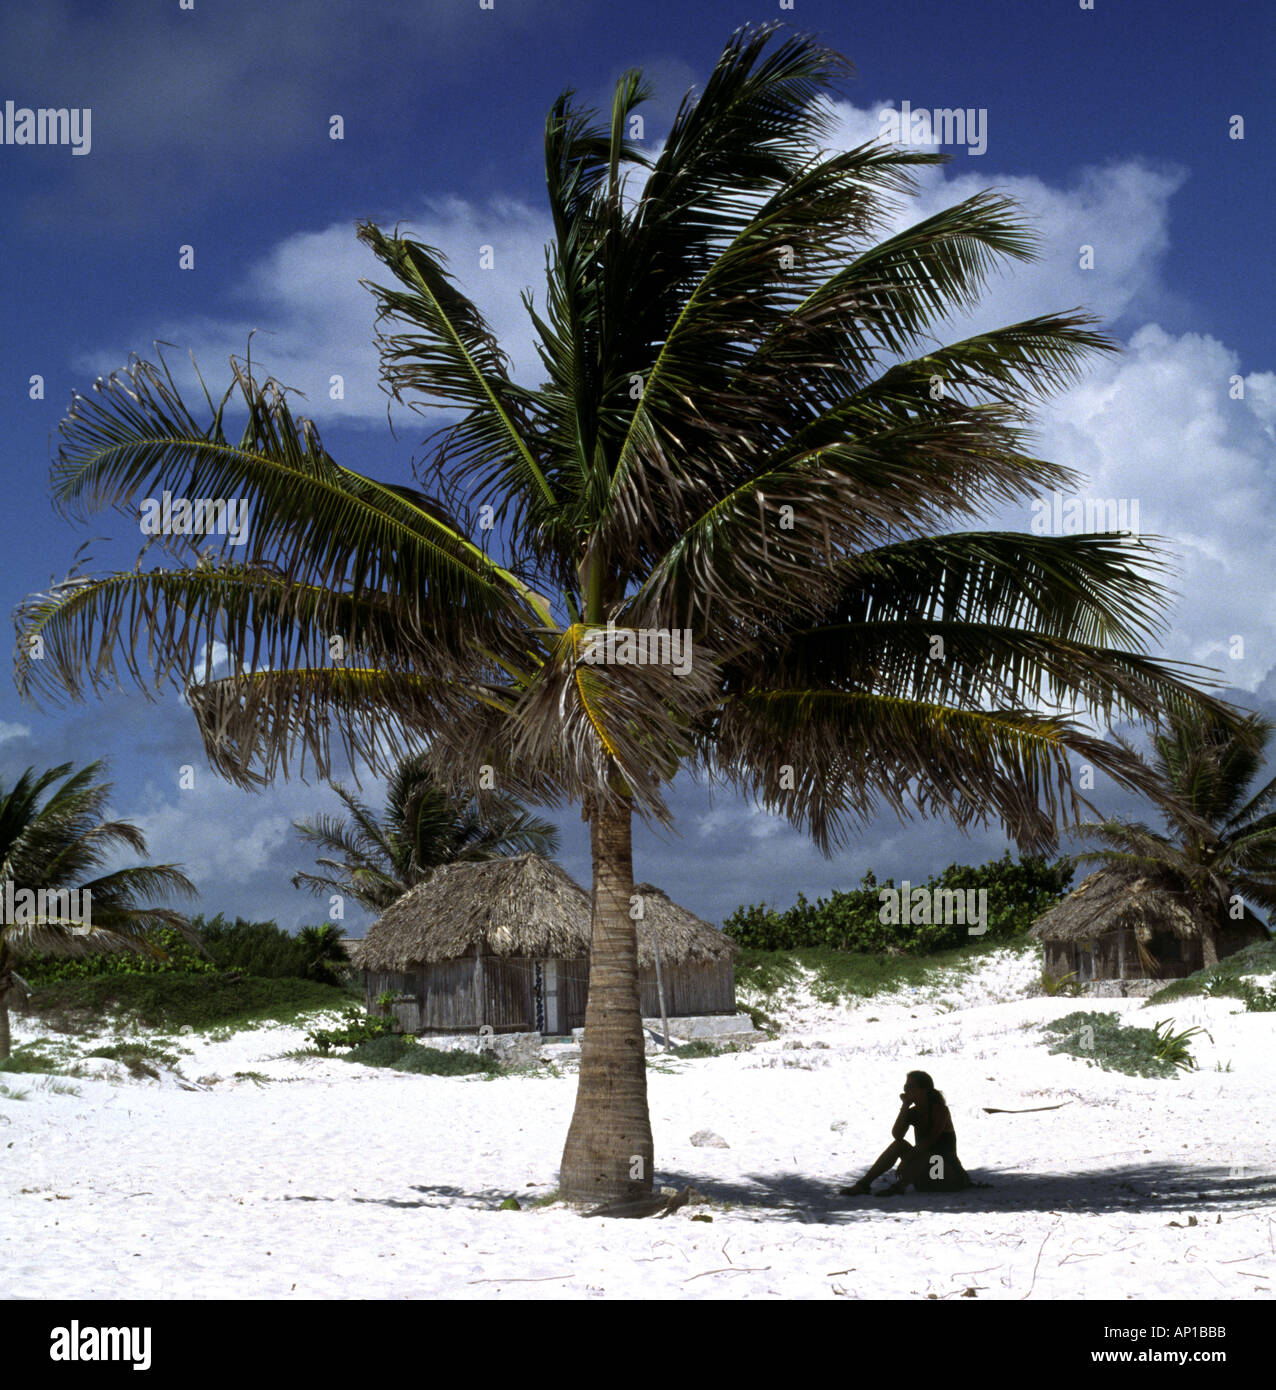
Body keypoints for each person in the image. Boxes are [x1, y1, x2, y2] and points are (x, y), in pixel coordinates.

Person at [840, 1070, 972, 1196]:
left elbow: (930, 1141)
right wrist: (904, 1107)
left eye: (910, 1086)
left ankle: (899, 1187)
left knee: (929, 1154)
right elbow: (897, 1135)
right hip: (924, 1175)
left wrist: (907, 1159)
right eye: (905, 1086)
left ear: (924, 1089)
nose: (905, 1090)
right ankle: (863, 1184)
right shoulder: (913, 1112)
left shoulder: (939, 1110)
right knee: (899, 1144)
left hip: (946, 1176)